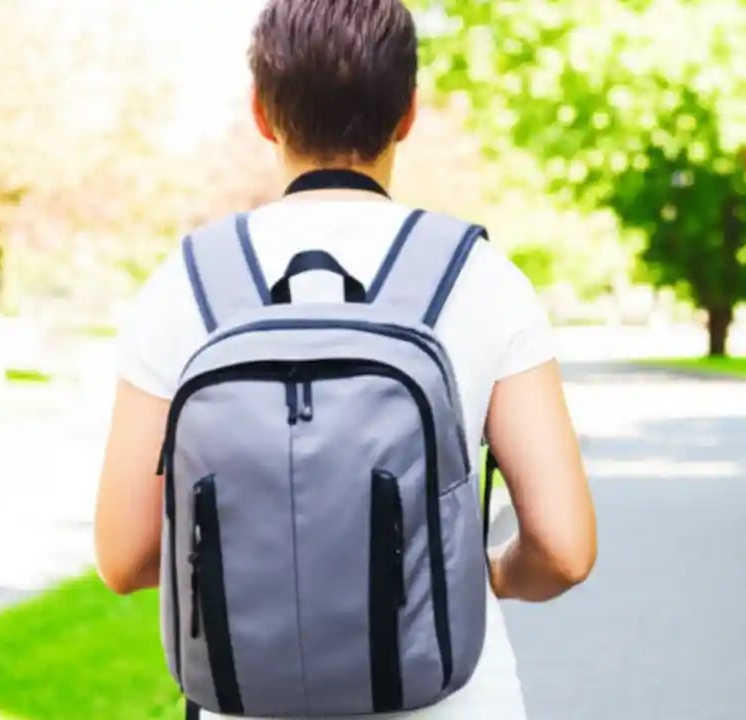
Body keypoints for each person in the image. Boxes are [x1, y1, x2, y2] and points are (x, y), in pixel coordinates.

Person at [92, 1, 597, 717]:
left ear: (262, 113)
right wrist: (478, 574)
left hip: (250, 701)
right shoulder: (479, 276)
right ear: (409, 113)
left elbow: (126, 556)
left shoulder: (188, 282)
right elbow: (564, 549)